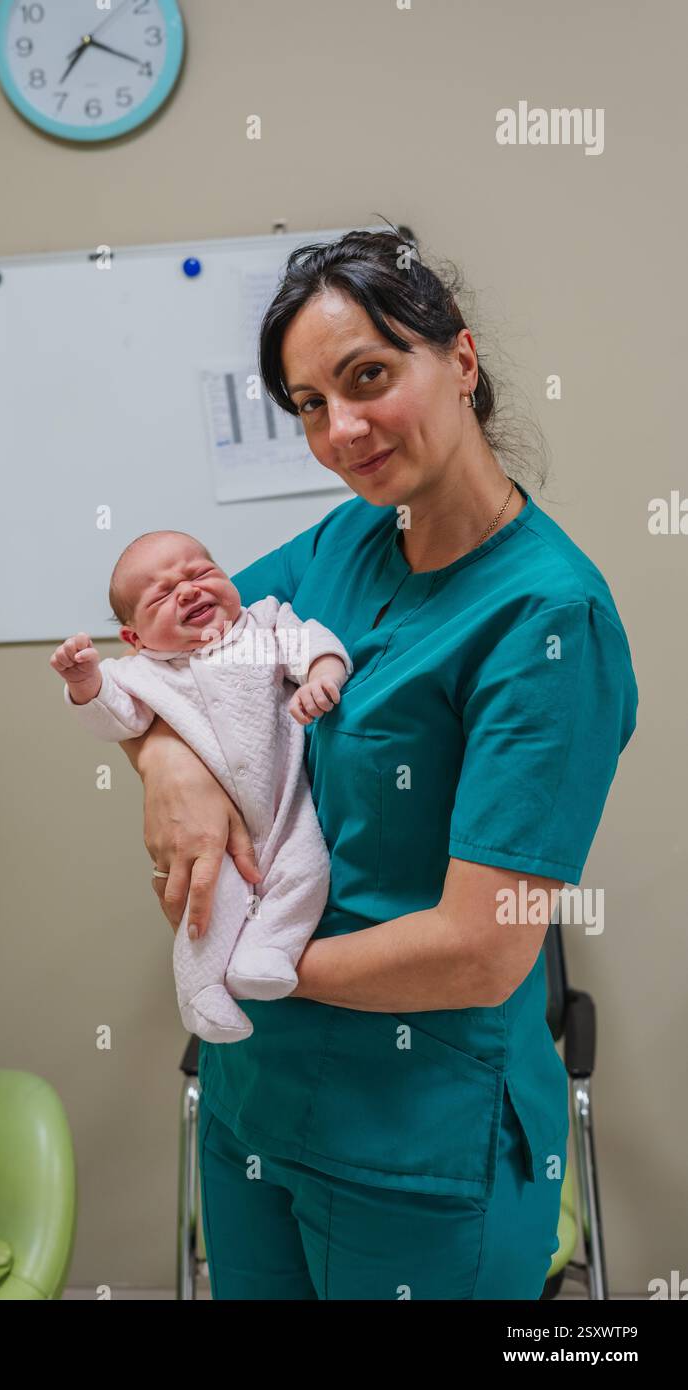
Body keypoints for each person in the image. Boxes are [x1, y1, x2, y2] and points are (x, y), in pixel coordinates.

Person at [116, 225, 639, 1300]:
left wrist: (250, 966)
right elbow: (166, 650)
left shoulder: (547, 619)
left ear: (458, 359)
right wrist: (167, 757)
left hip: (416, 1137)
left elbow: (476, 952)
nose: (340, 431)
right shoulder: (342, 545)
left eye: (366, 377)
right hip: (252, 1100)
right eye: (308, 405)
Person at [49, 529, 352, 1043]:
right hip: (213, 832)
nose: (188, 591)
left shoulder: (264, 622)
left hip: (285, 808)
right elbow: (115, 721)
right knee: (206, 899)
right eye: (163, 595)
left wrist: (323, 675)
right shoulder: (140, 673)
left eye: (200, 573)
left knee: (306, 870)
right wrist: (85, 684)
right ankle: (201, 991)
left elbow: (312, 642)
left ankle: (268, 950)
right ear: (135, 638)